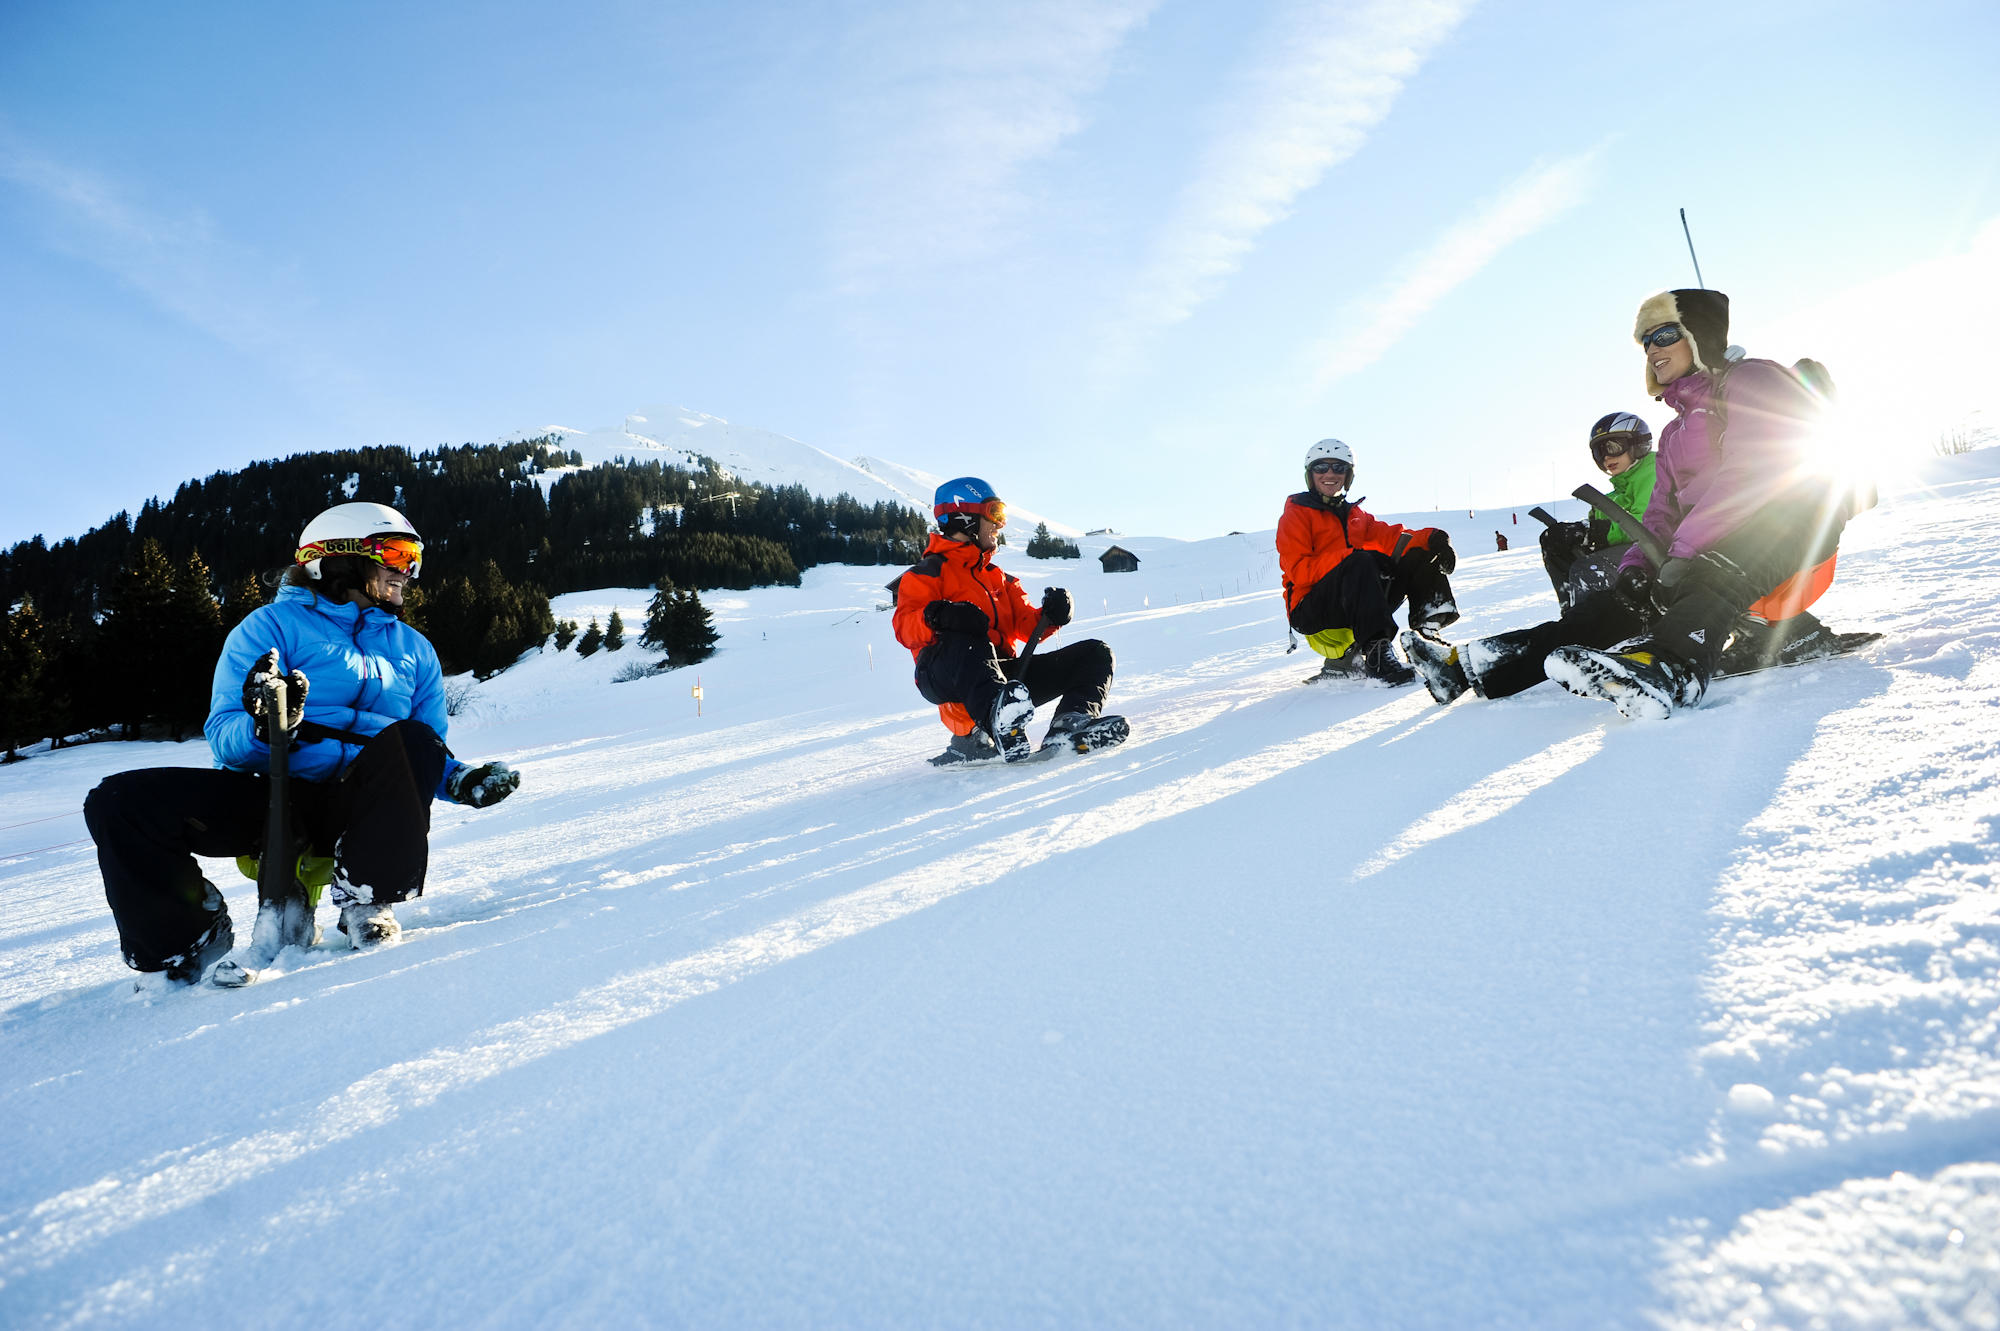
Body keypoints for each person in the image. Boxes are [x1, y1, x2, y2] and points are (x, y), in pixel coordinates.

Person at [83, 502, 521, 984]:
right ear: (337, 559)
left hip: (360, 804)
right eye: (395, 554)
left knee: (412, 737)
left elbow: (423, 749)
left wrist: (459, 779)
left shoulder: (415, 649)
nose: (408, 571)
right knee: (120, 802)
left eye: (413, 557)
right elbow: (224, 734)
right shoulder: (269, 628)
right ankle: (185, 942)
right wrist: (266, 725)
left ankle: (366, 900)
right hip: (272, 792)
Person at [1541, 288, 1858, 718]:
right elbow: (1662, 512)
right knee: (1655, 586)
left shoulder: (1752, 378)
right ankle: (1761, 637)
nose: (1653, 349)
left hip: (1799, 525)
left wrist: (1684, 551)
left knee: (1709, 570)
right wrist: (1640, 566)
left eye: (1665, 333)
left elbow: (1752, 473)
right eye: (1646, 342)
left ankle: (1671, 669)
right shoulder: (1676, 431)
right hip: (1741, 538)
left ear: (1698, 336)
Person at [892, 478, 1116, 763]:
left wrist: (1052, 615)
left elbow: (1026, 626)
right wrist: (939, 615)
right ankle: (989, 726)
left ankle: (1069, 725)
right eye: (994, 513)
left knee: (1096, 652)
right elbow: (904, 629)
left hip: (1005, 682)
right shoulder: (926, 574)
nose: (1000, 524)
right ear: (965, 517)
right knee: (968, 635)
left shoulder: (999, 578)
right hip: (949, 677)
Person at [1277, 438, 1457, 685]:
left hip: (1353, 604)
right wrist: (1349, 559)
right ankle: (1378, 655)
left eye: (1338, 467)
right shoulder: (1296, 513)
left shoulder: (1356, 516)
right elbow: (1298, 571)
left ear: (1348, 475)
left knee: (1417, 553)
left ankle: (1429, 630)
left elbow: (1397, 538)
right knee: (1360, 560)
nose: (1330, 473)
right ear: (1310, 474)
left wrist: (1435, 538)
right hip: (1311, 611)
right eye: (1321, 467)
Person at [1538, 412, 1658, 608]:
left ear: (1637, 443)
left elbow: (1649, 523)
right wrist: (1579, 534)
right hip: (1632, 551)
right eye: (1599, 452)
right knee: (1554, 540)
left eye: (1613, 447)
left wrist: (1598, 532)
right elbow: (1598, 532)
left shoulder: (1655, 469)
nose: (1606, 457)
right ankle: (1573, 613)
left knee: (1590, 568)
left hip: (1658, 554)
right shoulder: (1611, 497)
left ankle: (1591, 626)